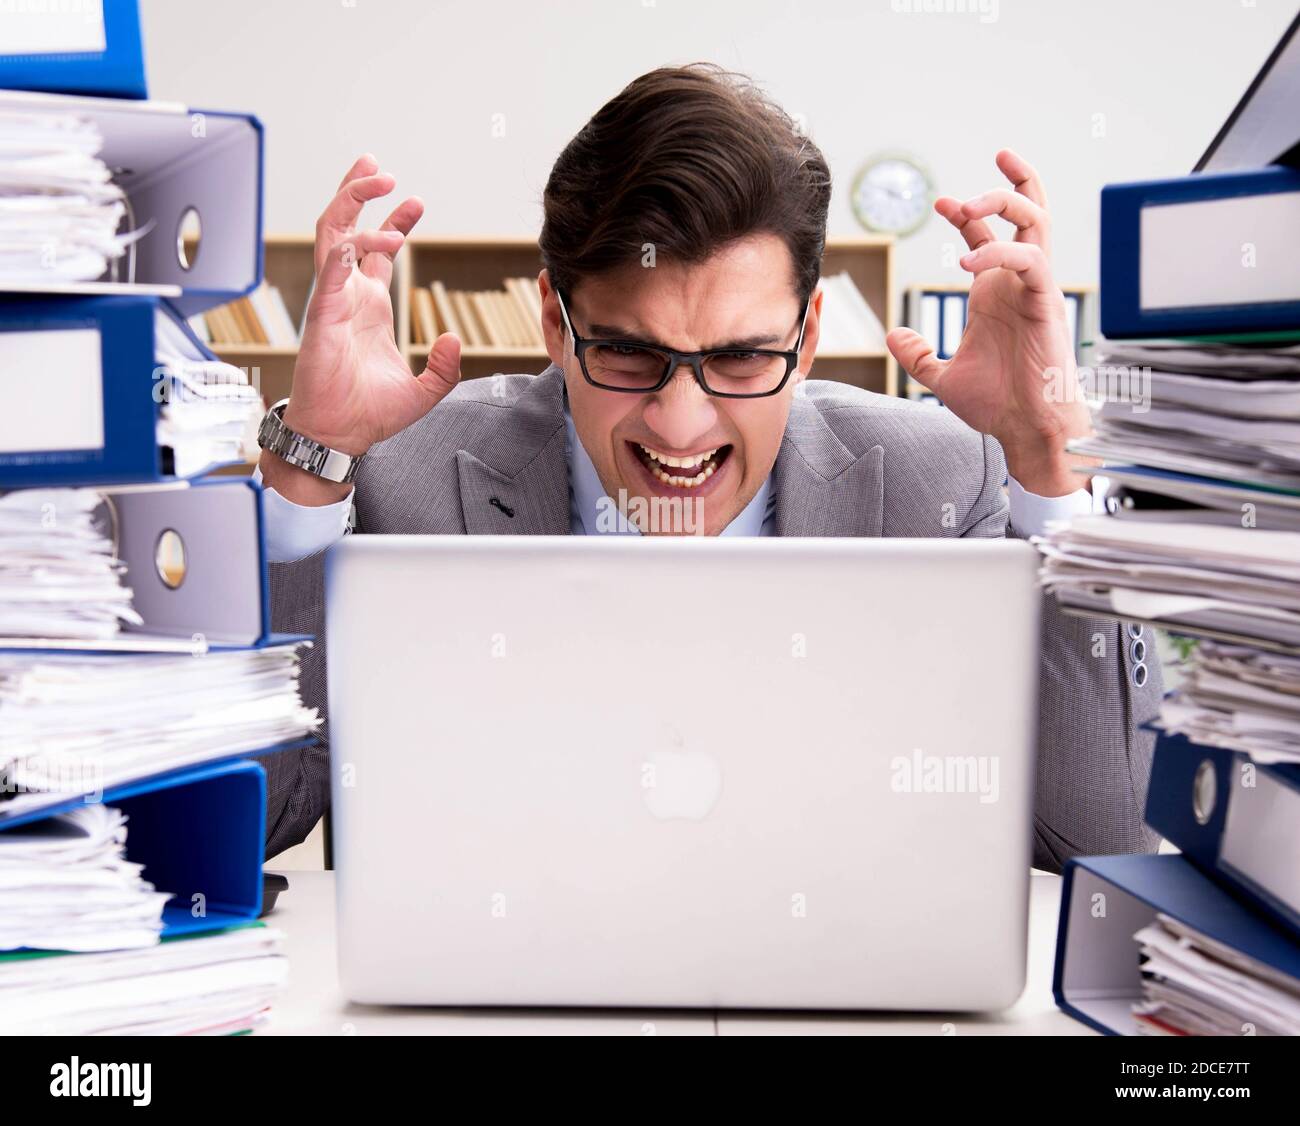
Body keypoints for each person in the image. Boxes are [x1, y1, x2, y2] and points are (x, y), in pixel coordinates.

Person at [255, 63, 1160, 869]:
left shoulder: (939, 483)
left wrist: (1048, 473)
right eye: (627, 353)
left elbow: (1095, 835)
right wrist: (309, 470)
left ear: (807, 340)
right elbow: (264, 820)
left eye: (738, 358)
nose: (681, 423)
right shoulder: (394, 477)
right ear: (554, 324)